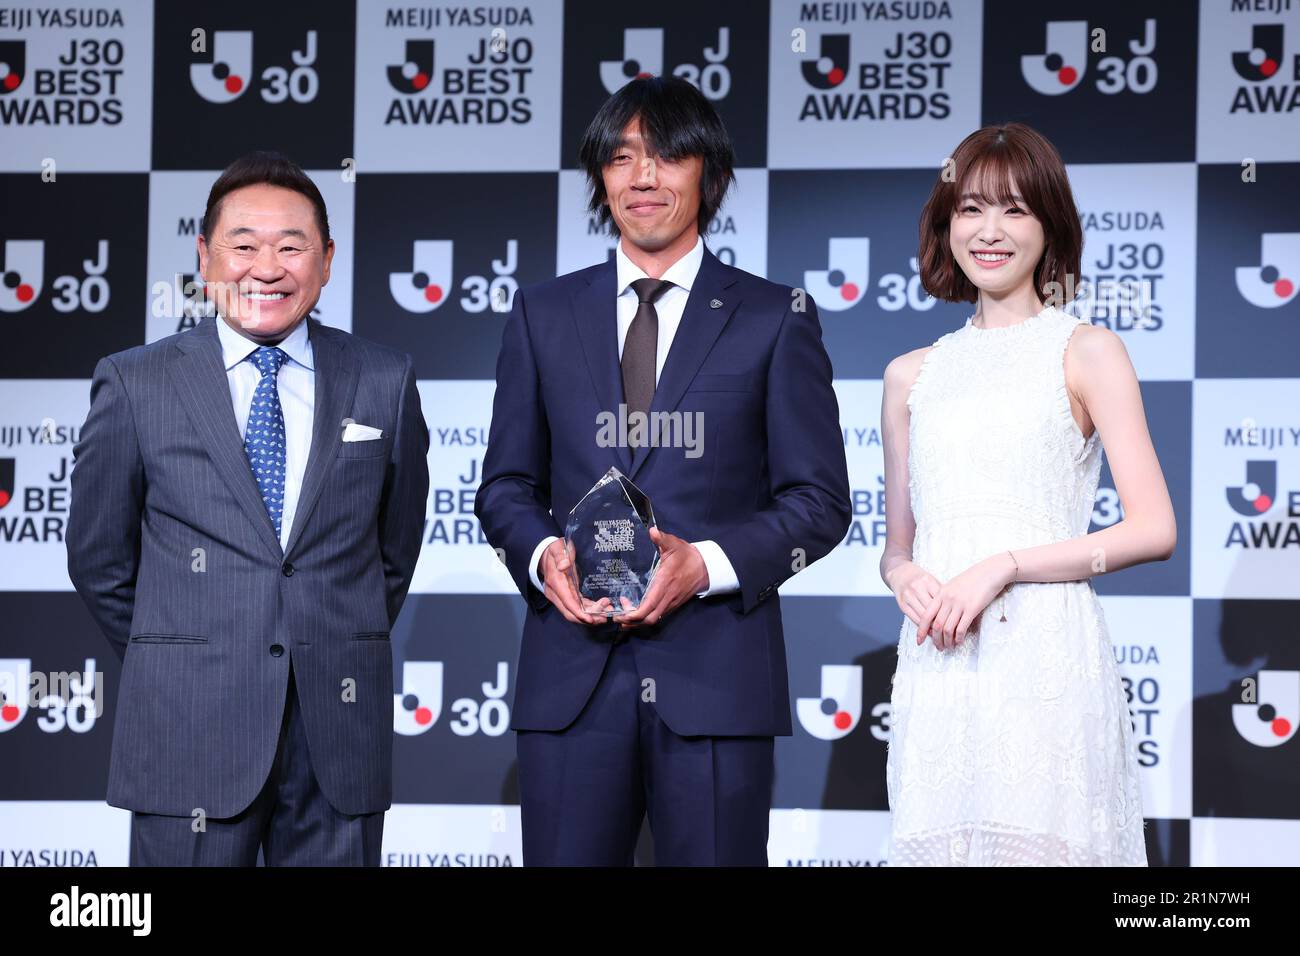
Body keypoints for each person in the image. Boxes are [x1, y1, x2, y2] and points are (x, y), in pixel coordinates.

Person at [474, 76, 851, 866]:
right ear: (600, 179)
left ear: (707, 173)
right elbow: (506, 486)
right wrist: (548, 560)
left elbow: (819, 501)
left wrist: (703, 566)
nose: (642, 178)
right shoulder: (541, 315)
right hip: (570, 680)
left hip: (716, 679)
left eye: (666, 156)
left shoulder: (774, 318)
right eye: (621, 159)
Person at [66, 151, 429, 866]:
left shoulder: (384, 380)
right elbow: (99, 557)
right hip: (185, 729)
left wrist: (319, 641)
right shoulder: (135, 383)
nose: (267, 268)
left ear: (325, 260)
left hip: (337, 730)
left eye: (291, 246)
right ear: (205, 256)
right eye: (243, 245)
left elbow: (393, 549)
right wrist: (184, 652)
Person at [879, 123, 1175, 866]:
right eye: (971, 209)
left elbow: (1153, 529)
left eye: (1015, 209)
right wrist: (905, 576)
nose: (990, 231)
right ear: (945, 225)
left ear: (1050, 225)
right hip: (940, 661)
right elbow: (896, 548)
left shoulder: (1087, 350)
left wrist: (1003, 564)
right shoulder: (909, 376)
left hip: (1045, 659)